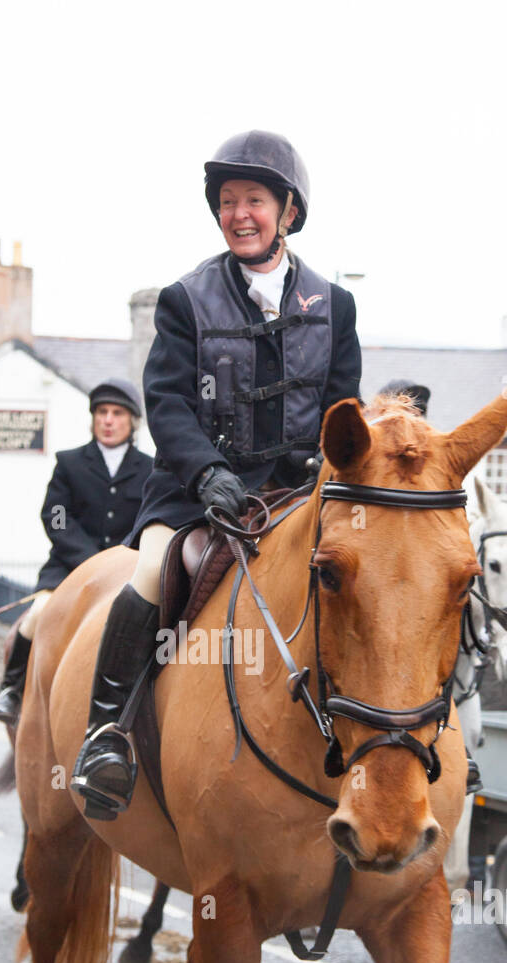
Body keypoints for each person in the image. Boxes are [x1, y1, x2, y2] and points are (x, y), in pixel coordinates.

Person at [71, 129, 362, 820]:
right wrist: (206, 473)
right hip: (195, 492)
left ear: (288, 210)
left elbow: (342, 408)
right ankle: (105, 737)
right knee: (150, 572)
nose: (239, 214)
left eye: (253, 200)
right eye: (227, 202)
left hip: (295, 495)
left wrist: (324, 470)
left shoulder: (336, 307)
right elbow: (167, 404)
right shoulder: (185, 300)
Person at [0, 378, 153, 724]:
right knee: (38, 614)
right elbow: (57, 517)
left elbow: (149, 518)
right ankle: (12, 687)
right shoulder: (70, 463)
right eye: (102, 413)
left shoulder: (150, 469)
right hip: (68, 569)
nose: (108, 420)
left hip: (129, 569)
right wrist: (90, 561)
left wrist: (120, 559)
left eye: (117, 413)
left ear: (132, 422)